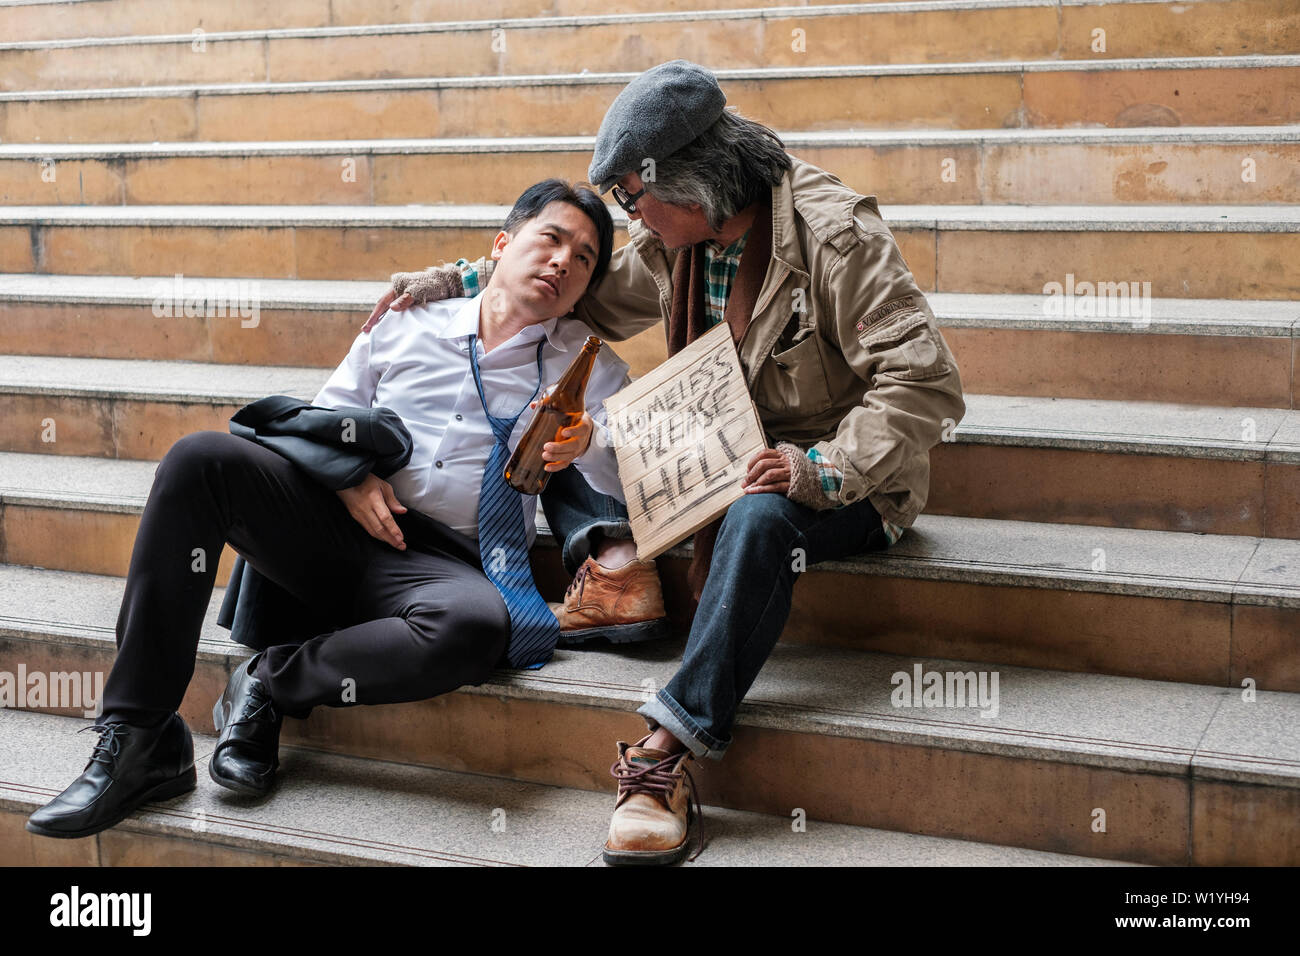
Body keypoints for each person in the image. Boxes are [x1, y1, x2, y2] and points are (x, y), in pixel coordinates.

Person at [367, 61, 967, 865]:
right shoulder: (671, 246)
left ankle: (666, 750)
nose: (629, 219)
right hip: (714, 457)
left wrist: (819, 469)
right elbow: (570, 290)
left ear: (691, 187)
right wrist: (452, 280)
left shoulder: (833, 236)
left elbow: (925, 384)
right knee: (570, 398)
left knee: (760, 513)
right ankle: (615, 573)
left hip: (844, 478)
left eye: (630, 198)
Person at [27, 179, 631, 839]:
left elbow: (634, 478)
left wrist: (591, 441)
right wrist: (346, 478)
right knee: (198, 460)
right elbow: (318, 420)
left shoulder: (587, 367)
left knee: (474, 627)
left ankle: (268, 684)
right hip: (335, 528)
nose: (563, 263)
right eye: (552, 238)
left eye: (584, 259)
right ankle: (141, 736)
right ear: (502, 242)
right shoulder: (408, 319)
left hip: (442, 564)